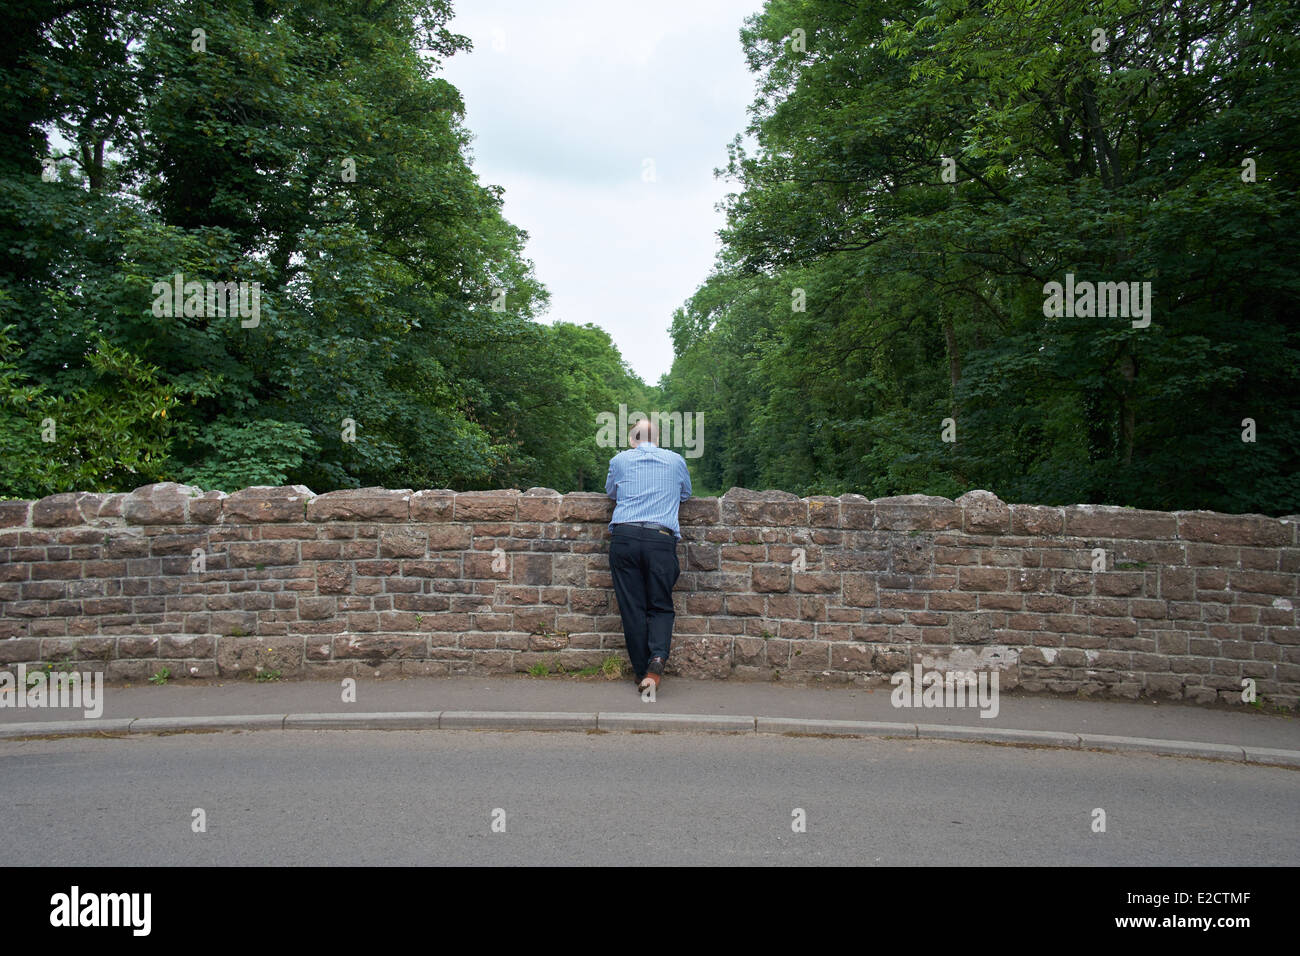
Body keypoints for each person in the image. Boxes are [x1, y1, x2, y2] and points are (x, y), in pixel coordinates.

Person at [604, 417, 692, 694]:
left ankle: (642, 671)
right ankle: (657, 659)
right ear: (658, 439)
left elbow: (611, 493)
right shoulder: (676, 460)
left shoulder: (619, 460)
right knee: (661, 605)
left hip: (625, 536)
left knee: (632, 607)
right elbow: (686, 494)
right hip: (660, 538)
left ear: (633, 440)